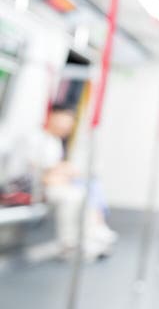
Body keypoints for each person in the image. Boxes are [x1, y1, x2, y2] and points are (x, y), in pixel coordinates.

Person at [9, 104, 117, 260]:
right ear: (52, 117)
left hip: (50, 184)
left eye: (70, 123)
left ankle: (89, 238)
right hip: (26, 187)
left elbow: (55, 171)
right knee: (71, 196)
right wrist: (62, 173)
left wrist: (62, 173)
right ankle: (69, 244)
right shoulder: (36, 139)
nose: (67, 126)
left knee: (82, 193)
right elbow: (41, 174)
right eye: (65, 121)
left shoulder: (55, 141)